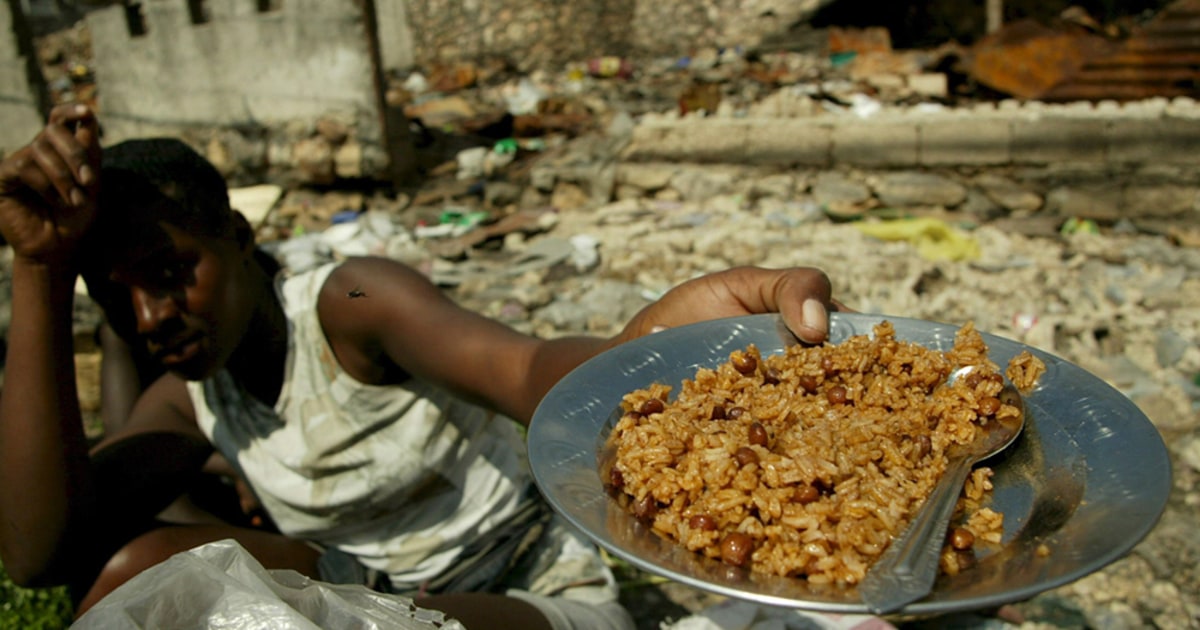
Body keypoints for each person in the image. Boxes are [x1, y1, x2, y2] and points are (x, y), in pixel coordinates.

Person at [0, 103, 841, 629]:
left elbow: (527, 371)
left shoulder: (350, 307)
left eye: (169, 271)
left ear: (240, 236)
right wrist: (40, 268)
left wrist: (644, 345)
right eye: (120, 300)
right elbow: (44, 554)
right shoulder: (194, 404)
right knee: (141, 572)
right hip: (382, 606)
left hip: (536, 599)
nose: (152, 315)